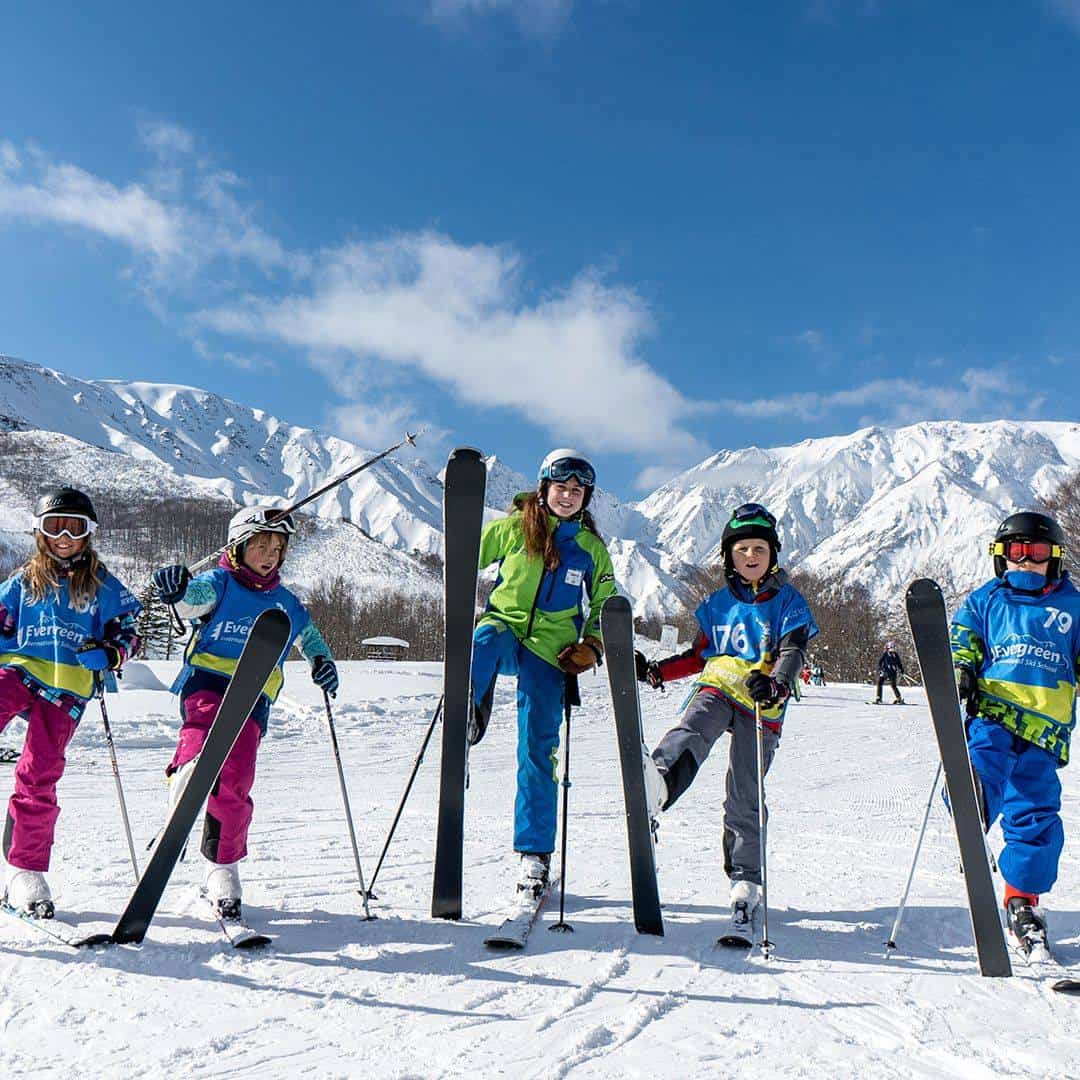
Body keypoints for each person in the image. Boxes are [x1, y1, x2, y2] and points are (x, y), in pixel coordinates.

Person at [634, 503, 818, 936]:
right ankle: (660, 780)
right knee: (694, 726)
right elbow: (698, 656)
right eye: (742, 549)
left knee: (744, 791)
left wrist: (777, 684)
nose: (751, 556)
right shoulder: (717, 605)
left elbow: (794, 650)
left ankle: (745, 880)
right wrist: (658, 672)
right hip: (718, 687)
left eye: (759, 549)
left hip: (761, 702)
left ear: (773, 554)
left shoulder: (789, 602)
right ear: (728, 557)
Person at [152, 506, 339, 921]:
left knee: (235, 778)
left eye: (277, 548)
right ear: (237, 547)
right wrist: (177, 590)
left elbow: (309, 637)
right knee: (201, 735)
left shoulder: (286, 603)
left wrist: (321, 661)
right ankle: (186, 782)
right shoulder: (219, 583)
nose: (270, 556)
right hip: (208, 683)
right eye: (261, 546)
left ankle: (222, 868)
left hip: (254, 695)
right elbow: (191, 602)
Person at [470, 449, 617, 897]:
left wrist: (593, 644)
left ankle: (534, 854)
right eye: (561, 488)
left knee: (537, 748)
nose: (568, 496)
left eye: (577, 491)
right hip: (505, 627)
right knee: (483, 641)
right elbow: (466, 557)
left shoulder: (590, 548)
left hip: (552, 651)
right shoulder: (514, 528)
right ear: (543, 488)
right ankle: (465, 715)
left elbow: (606, 603)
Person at [0, 489, 141, 917]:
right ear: (40, 533)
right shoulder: (24, 581)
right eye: (54, 526)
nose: (64, 537)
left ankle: (25, 871)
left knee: (39, 772)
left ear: (88, 534)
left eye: (74, 528)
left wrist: (111, 654)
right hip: (20, 669)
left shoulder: (102, 584)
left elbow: (130, 634)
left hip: (68, 686)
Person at [950, 510, 1080, 960]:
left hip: (1045, 732)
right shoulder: (986, 600)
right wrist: (962, 669)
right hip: (995, 713)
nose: (1026, 561)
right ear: (1000, 557)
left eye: (1037, 552)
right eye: (1016, 552)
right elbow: (963, 637)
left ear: (1055, 558)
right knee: (985, 762)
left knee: (1036, 813)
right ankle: (972, 803)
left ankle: (1022, 900)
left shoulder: (1073, 606)